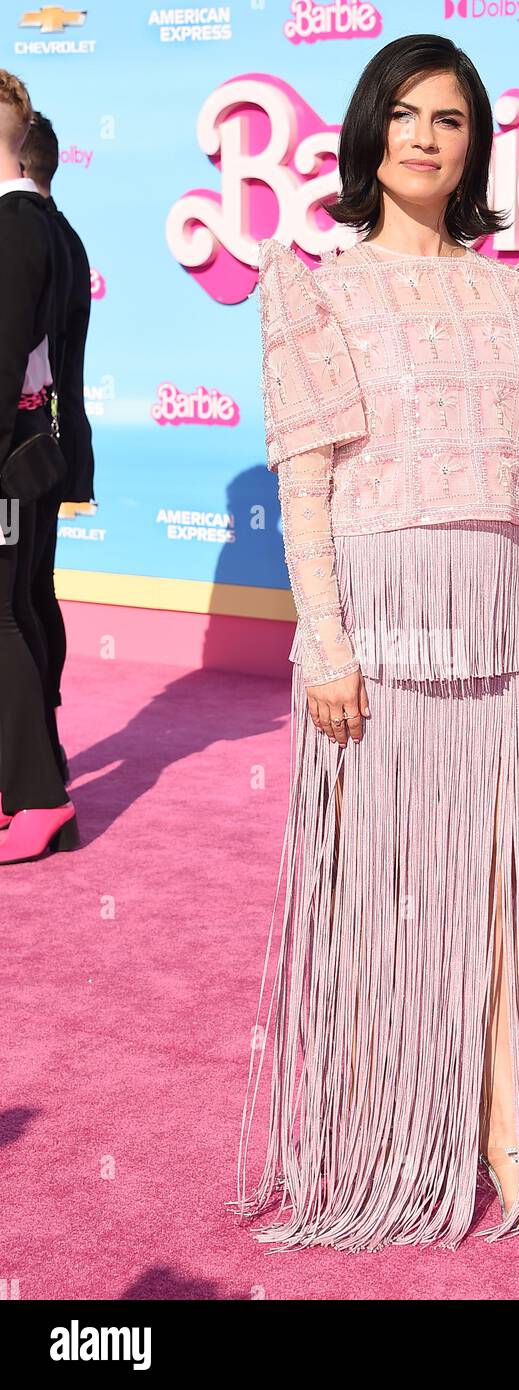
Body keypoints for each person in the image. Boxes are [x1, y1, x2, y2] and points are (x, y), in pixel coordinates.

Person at [229, 34, 519, 1250]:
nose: (427, 136)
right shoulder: (318, 286)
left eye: (449, 118)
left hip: (494, 616)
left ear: (474, 142)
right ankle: (393, 1135)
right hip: (377, 623)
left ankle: (509, 1136)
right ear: (367, 129)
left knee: (496, 894)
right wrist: (323, 645)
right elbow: (304, 484)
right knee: (382, 895)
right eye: (405, 113)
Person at [0, 69, 77, 863]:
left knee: (8, 616)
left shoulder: (21, 224)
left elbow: (9, 356)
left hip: (11, 453)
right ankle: (29, 783)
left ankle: (38, 794)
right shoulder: (36, 220)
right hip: (26, 444)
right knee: (16, 609)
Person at [20, 111, 96, 782]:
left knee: (23, 604)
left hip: (33, 441)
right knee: (33, 596)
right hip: (52, 439)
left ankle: (37, 751)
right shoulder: (61, 231)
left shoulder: (32, 233)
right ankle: (42, 744)